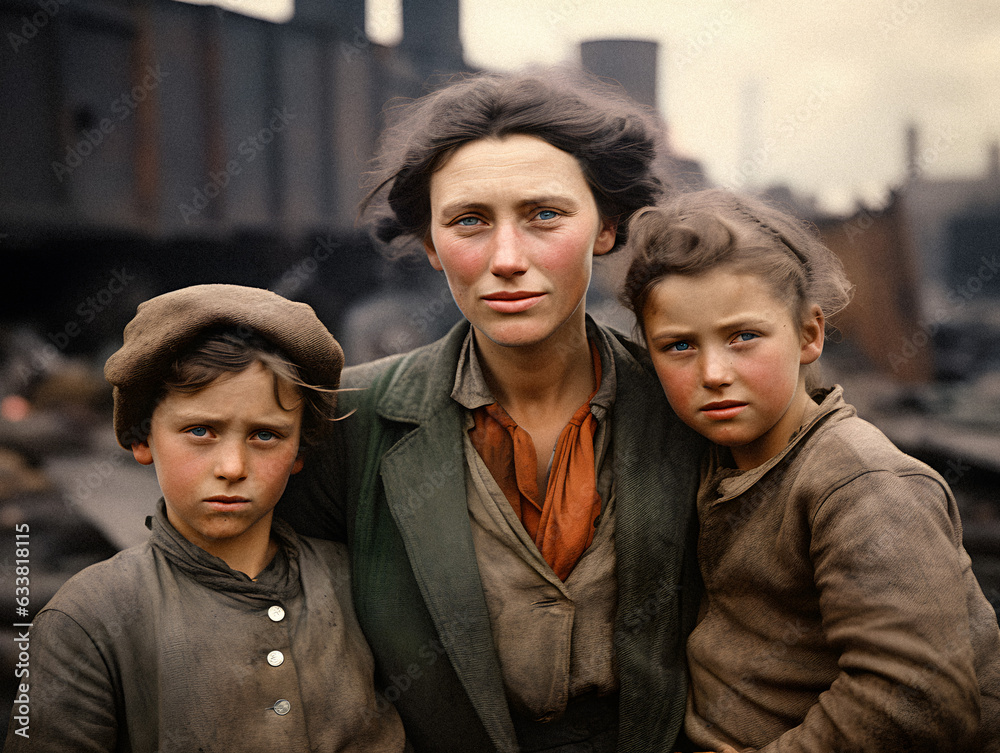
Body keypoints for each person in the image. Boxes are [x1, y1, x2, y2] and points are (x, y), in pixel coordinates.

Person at [278, 69, 706, 752]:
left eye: (545, 215)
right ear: (429, 243)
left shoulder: (691, 406)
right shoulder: (350, 422)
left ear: (607, 226)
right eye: (469, 220)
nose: (507, 259)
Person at [621, 188, 1000, 752]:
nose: (714, 372)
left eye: (743, 336)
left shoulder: (859, 483)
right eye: (678, 346)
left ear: (809, 335)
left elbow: (915, 701)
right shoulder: (708, 462)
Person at [4, 284, 407, 752]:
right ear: (141, 439)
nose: (232, 467)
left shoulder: (359, 586)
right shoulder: (90, 616)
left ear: (301, 449)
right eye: (200, 430)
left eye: (265, 435)